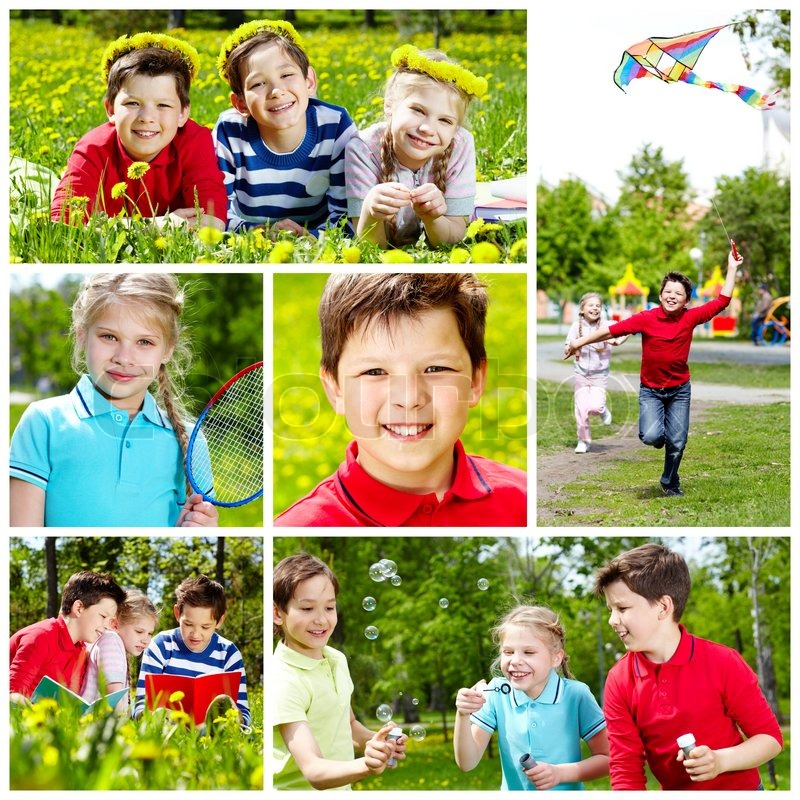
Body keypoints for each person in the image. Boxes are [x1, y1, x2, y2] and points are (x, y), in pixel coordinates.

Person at [274, 273, 527, 526]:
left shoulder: (524, 502)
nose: (409, 399)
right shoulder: (301, 525)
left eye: (436, 368)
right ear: (335, 389)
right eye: (375, 372)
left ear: (475, 381)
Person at [9, 273, 218, 527]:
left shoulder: (190, 439)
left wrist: (198, 530)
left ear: (167, 350)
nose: (124, 357)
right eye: (109, 337)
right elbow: (21, 529)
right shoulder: (44, 422)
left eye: (144, 342)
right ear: (82, 335)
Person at [594, 543, 782, 790]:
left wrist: (720, 761)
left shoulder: (723, 662)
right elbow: (625, 768)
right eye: (610, 609)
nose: (612, 620)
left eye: (622, 608)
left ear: (663, 607)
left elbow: (770, 739)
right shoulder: (619, 680)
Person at [564, 247, 743, 496]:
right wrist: (578, 342)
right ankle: (659, 437)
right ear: (660, 295)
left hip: (680, 390)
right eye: (667, 292)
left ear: (686, 300)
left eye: (678, 293)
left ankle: (670, 483)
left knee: (678, 442)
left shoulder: (690, 318)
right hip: (651, 391)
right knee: (650, 436)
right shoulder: (646, 318)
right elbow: (610, 331)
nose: (672, 296)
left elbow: (722, 301)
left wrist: (732, 268)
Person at [51, 32, 226, 230]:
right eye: (133, 103)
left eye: (163, 105)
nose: (146, 117)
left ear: (182, 114)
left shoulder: (195, 141)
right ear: (110, 110)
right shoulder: (92, 149)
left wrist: (104, 226)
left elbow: (212, 221)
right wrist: (158, 225)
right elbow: (62, 226)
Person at [273, 553, 406, 789]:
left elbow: (348, 726)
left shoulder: (336, 659)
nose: (321, 620)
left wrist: (377, 744)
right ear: (277, 613)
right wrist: (367, 764)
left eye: (329, 607)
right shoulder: (283, 678)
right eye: (307, 608)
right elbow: (314, 771)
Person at [214, 19, 357, 236]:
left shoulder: (336, 125)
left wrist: (316, 238)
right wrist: (257, 233)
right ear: (240, 103)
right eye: (258, 84)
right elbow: (213, 214)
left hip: (317, 229)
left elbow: (349, 212)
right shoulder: (230, 131)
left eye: (286, 75)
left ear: (309, 81)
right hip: (250, 228)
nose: (276, 91)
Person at [345, 45, 486, 248]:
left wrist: (433, 219)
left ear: (456, 129)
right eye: (418, 110)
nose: (428, 128)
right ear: (389, 104)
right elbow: (370, 247)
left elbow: (454, 238)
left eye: (445, 121)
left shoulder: (460, 145)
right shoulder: (363, 149)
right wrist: (370, 210)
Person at [454, 605, 609, 791]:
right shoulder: (497, 693)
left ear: (556, 658)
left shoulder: (576, 695)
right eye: (508, 652)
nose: (515, 660)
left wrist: (560, 773)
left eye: (529, 652)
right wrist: (463, 715)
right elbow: (467, 763)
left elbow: (608, 758)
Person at [133, 574, 250, 726]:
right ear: (177, 613)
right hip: (169, 727)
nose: (195, 634)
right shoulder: (160, 646)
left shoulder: (229, 653)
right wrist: (153, 716)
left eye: (205, 627)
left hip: (211, 730)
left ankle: (218, 727)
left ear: (220, 621)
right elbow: (141, 703)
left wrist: (236, 719)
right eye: (188, 624)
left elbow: (244, 712)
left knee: (222, 717)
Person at [10, 571, 125, 702]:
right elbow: (12, 696)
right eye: (103, 616)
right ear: (79, 608)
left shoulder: (81, 652)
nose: (106, 626)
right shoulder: (40, 637)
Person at [564, 292, 628, 453]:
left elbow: (627, 329)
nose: (595, 308)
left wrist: (621, 337)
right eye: (591, 305)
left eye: (598, 305)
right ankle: (583, 441)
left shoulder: (607, 326)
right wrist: (572, 346)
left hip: (600, 375)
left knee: (595, 407)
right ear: (582, 309)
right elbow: (567, 346)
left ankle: (603, 410)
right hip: (581, 374)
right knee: (581, 410)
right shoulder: (575, 327)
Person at [81, 589, 158, 712]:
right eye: (139, 631)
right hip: (94, 723)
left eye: (150, 633)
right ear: (115, 624)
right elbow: (114, 697)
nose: (146, 640)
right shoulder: (111, 641)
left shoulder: (112, 643)